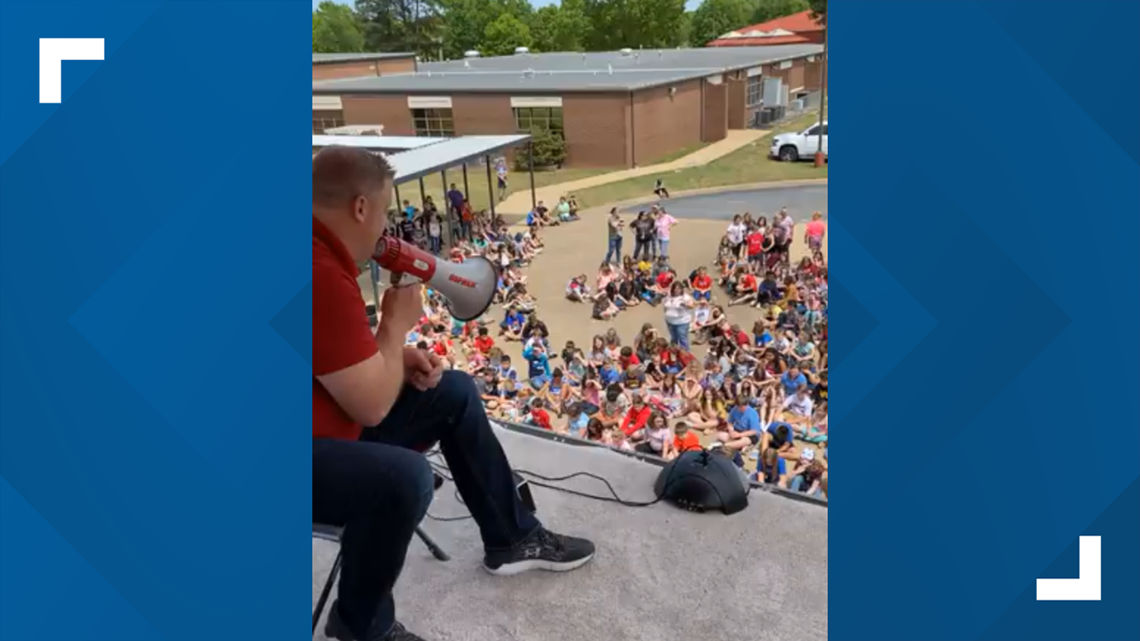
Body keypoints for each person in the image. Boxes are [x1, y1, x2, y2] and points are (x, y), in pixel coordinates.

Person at [312, 147, 595, 641]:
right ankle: (361, 626)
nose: (386, 227)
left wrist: (394, 358)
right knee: (404, 480)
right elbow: (372, 407)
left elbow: (326, 360)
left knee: (455, 391)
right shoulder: (318, 273)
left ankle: (512, 537)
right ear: (360, 207)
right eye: (384, 211)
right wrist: (394, 327)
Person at [662, 282, 695, 351]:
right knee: (673, 338)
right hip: (670, 322)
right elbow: (665, 306)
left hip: (682, 322)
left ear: (681, 289)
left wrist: (685, 305)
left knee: (682, 338)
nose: (677, 290)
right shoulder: (669, 296)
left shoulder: (685, 297)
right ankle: (675, 352)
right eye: (675, 288)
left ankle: (685, 354)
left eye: (679, 288)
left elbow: (692, 306)